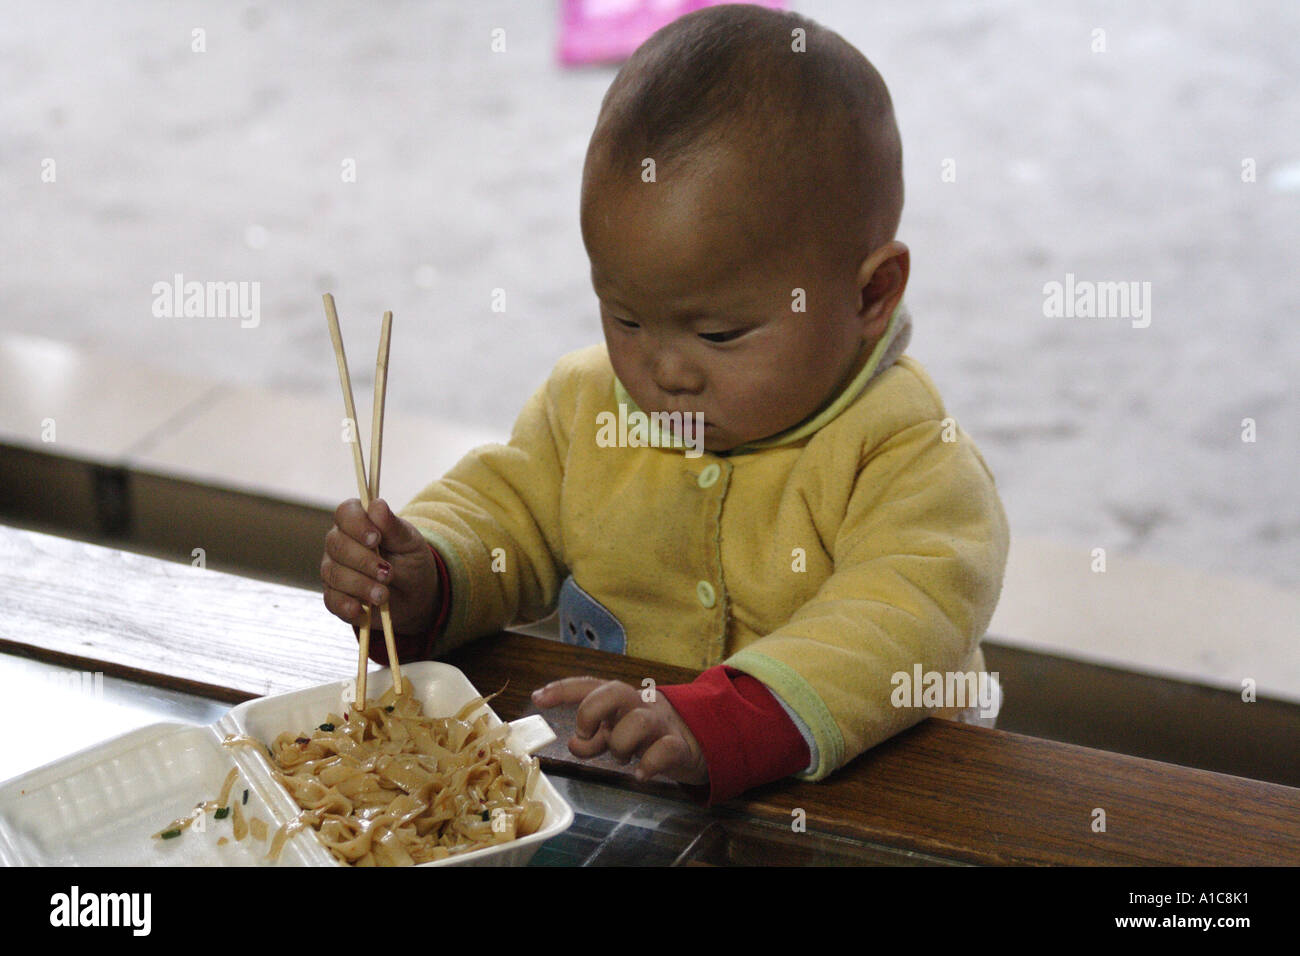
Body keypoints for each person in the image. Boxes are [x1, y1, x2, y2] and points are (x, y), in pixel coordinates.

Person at [320, 4, 1009, 804]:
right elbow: (507, 517)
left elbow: (900, 619)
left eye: (718, 334)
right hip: (638, 789)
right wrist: (424, 574)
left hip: (882, 808)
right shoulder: (590, 405)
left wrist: (725, 716)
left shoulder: (906, 451)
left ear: (871, 294)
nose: (664, 371)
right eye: (627, 318)